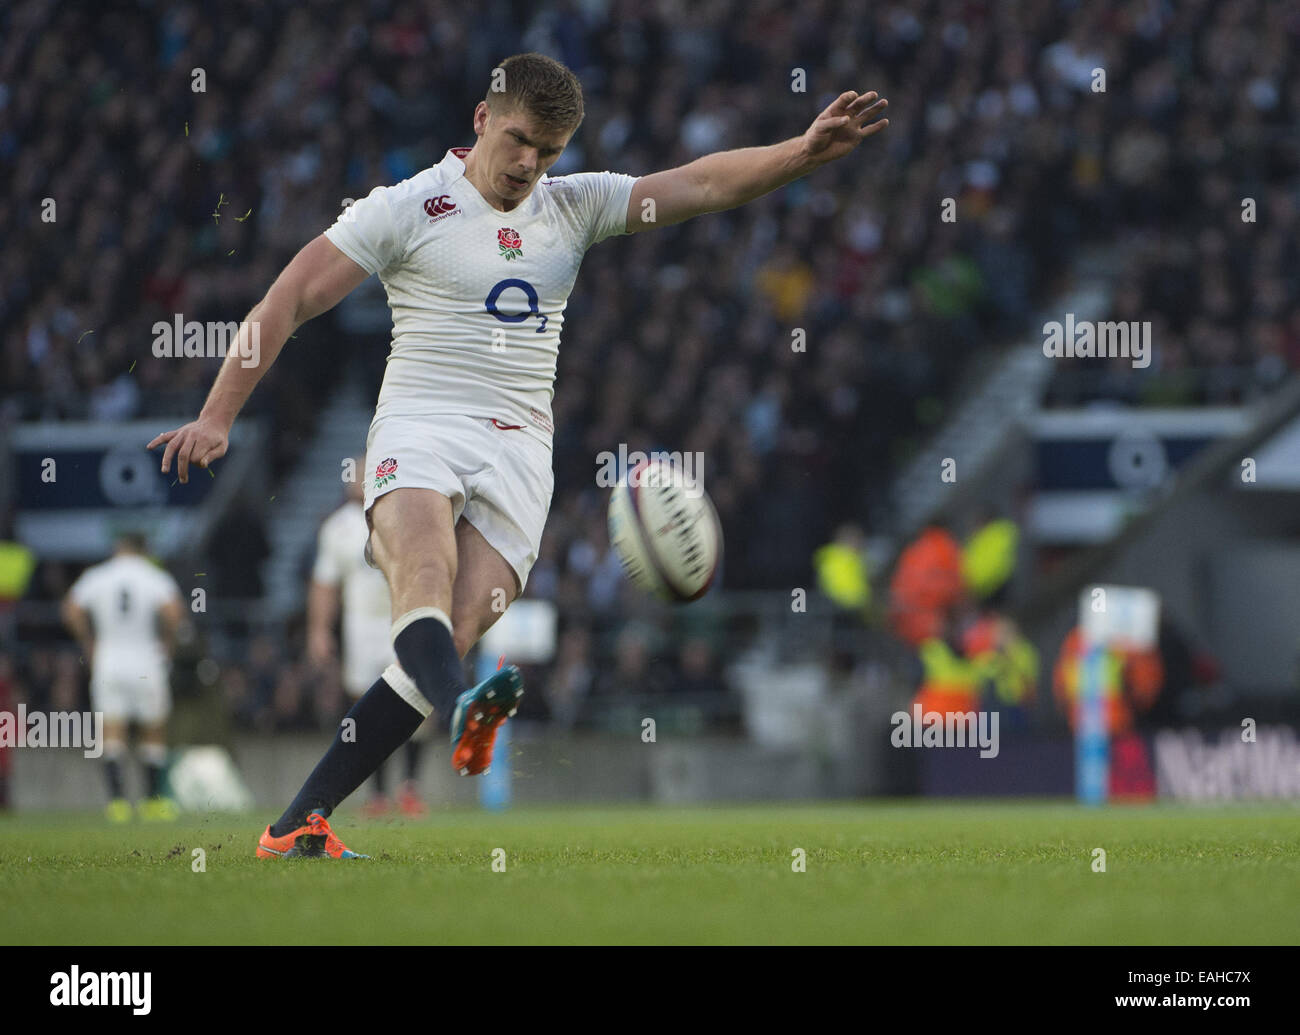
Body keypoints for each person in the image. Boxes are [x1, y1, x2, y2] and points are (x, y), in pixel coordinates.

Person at [149, 52, 890, 859]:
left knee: (455, 629)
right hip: (420, 424)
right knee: (423, 583)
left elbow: (702, 184)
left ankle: (297, 821)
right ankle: (463, 707)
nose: (531, 165)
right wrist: (219, 416)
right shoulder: (404, 208)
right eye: (521, 141)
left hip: (519, 451)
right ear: (481, 119)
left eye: (550, 150)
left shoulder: (573, 207)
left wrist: (801, 152)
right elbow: (288, 298)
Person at [307, 461, 429, 817]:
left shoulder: (405, 512)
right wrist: (318, 631)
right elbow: (324, 583)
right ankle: (377, 795)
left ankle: (410, 788)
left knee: (415, 699)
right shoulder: (339, 528)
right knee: (366, 706)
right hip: (361, 627)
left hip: (403, 617)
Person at [60, 532, 184, 821]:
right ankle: (152, 802)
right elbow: (175, 612)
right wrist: (167, 643)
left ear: (119, 547)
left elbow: (70, 609)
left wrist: (88, 641)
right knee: (153, 730)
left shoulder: (98, 575)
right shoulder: (154, 576)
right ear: (144, 549)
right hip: (146, 659)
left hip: (109, 660)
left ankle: (117, 803)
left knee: (111, 732)